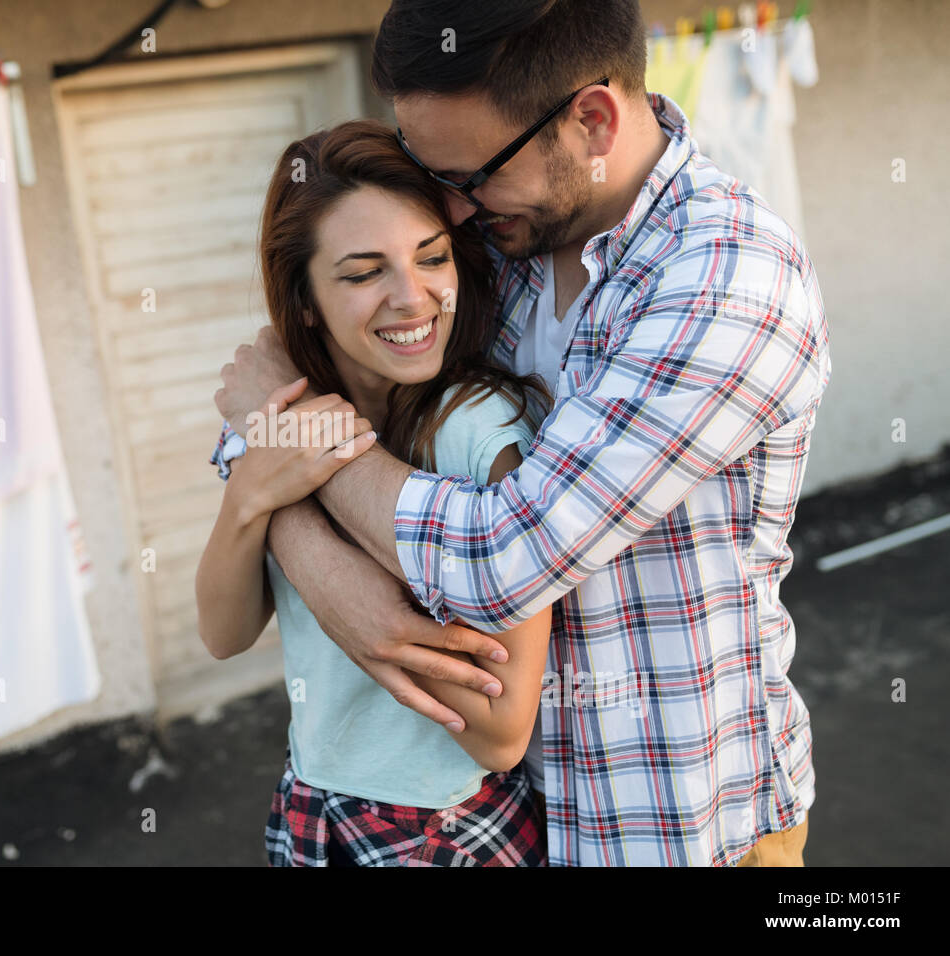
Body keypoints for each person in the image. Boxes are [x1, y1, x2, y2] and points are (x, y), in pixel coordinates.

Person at [210, 0, 830, 866]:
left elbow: (504, 555)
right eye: (436, 179)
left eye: (469, 177)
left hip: (683, 819)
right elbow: (308, 359)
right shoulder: (505, 240)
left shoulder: (727, 277)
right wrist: (275, 472)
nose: (453, 217)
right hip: (515, 814)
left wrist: (303, 493)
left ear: (592, 121)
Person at [195, 119, 555, 866]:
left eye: (432, 258)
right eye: (363, 274)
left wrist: (348, 584)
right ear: (302, 300)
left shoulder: (480, 433)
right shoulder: (283, 417)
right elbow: (223, 634)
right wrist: (253, 494)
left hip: (447, 826)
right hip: (312, 804)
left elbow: (502, 732)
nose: (413, 297)